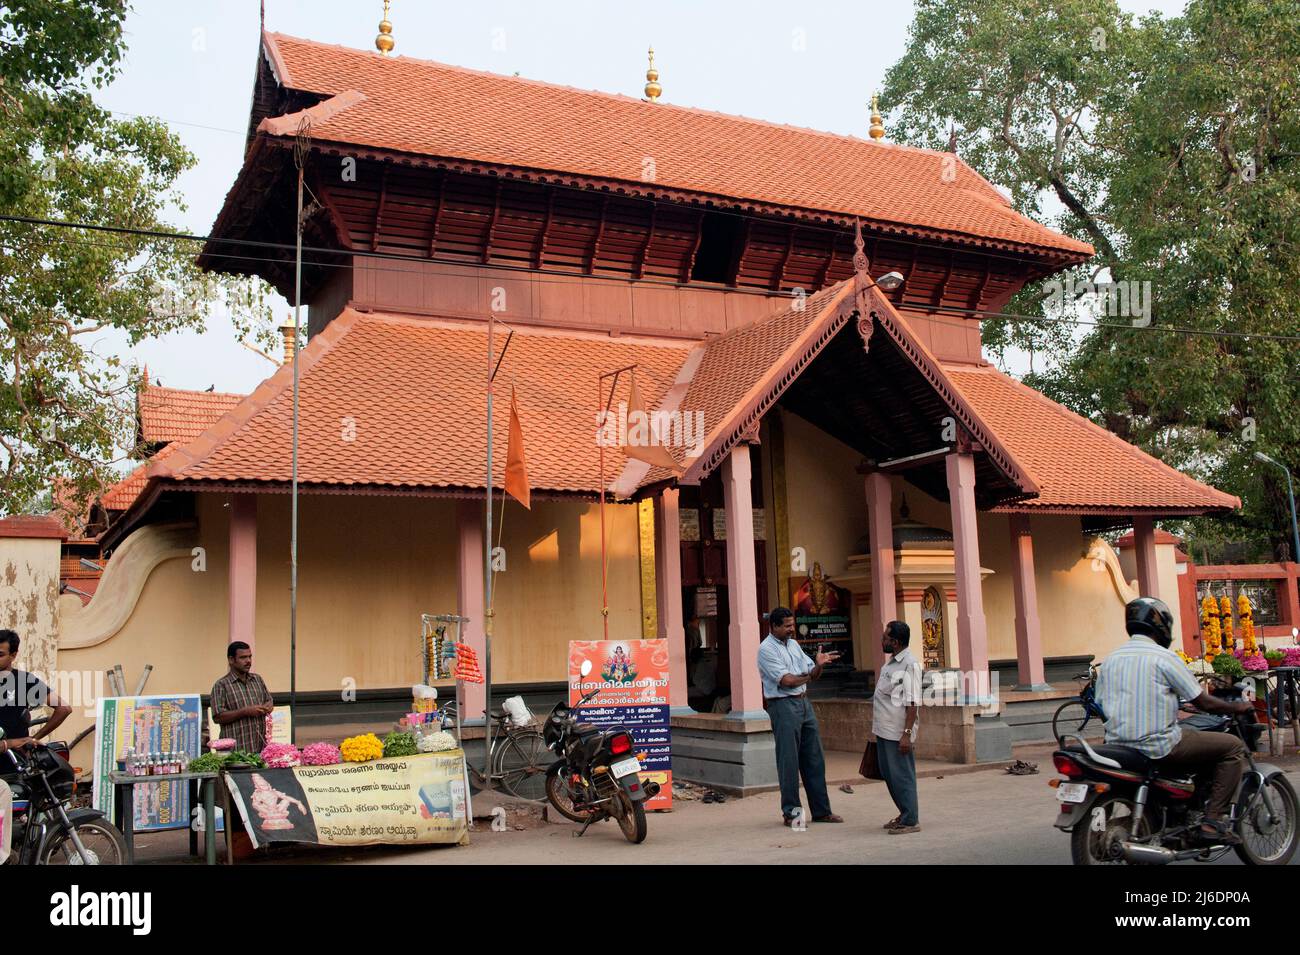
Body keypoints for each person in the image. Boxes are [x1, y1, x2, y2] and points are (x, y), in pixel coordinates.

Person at [1095, 596, 1255, 844]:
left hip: (1118, 745)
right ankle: (1213, 822)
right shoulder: (1164, 658)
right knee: (1232, 747)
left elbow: (1102, 704)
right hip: (1159, 745)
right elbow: (1204, 702)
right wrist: (1238, 706)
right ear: (1161, 625)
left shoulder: (1110, 661)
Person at [757, 606, 843, 827]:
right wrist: (810, 675)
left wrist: (819, 665)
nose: (791, 629)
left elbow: (811, 673)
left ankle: (822, 811)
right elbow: (787, 681)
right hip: (783, 705)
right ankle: (791, 813)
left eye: (792, 625)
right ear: (774, 626)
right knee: (789, 760)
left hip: (804, 703)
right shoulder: (766, 649)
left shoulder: (794, 645)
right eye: (786, 626)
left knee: (814, 758)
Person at [874, 620, 922, 834]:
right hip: (883, 729)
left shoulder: (909, 665)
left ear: (895, 642)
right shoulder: (891, 663)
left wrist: (906, 735)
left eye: (885, 637)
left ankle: (910, 820)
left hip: (897, 732)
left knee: (902, 775)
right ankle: (904, 813)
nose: (882, 640)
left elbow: (912, 704)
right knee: (889, 774)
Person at [0, 629, 72, 759]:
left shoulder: (25, 681)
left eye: (0, 655)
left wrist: (32, 740)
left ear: (13, 655)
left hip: (16, 763)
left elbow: (64, 708)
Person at [211, 641, 274, 754]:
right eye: (243, 657)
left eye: (250, 657)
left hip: (260, 749)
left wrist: (268, 707)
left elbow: (268, 700)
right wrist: (244, 712)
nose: (248, 661)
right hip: (235, 753)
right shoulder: (221, 685)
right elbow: (217, 717)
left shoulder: (257, 680)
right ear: (231, 660)